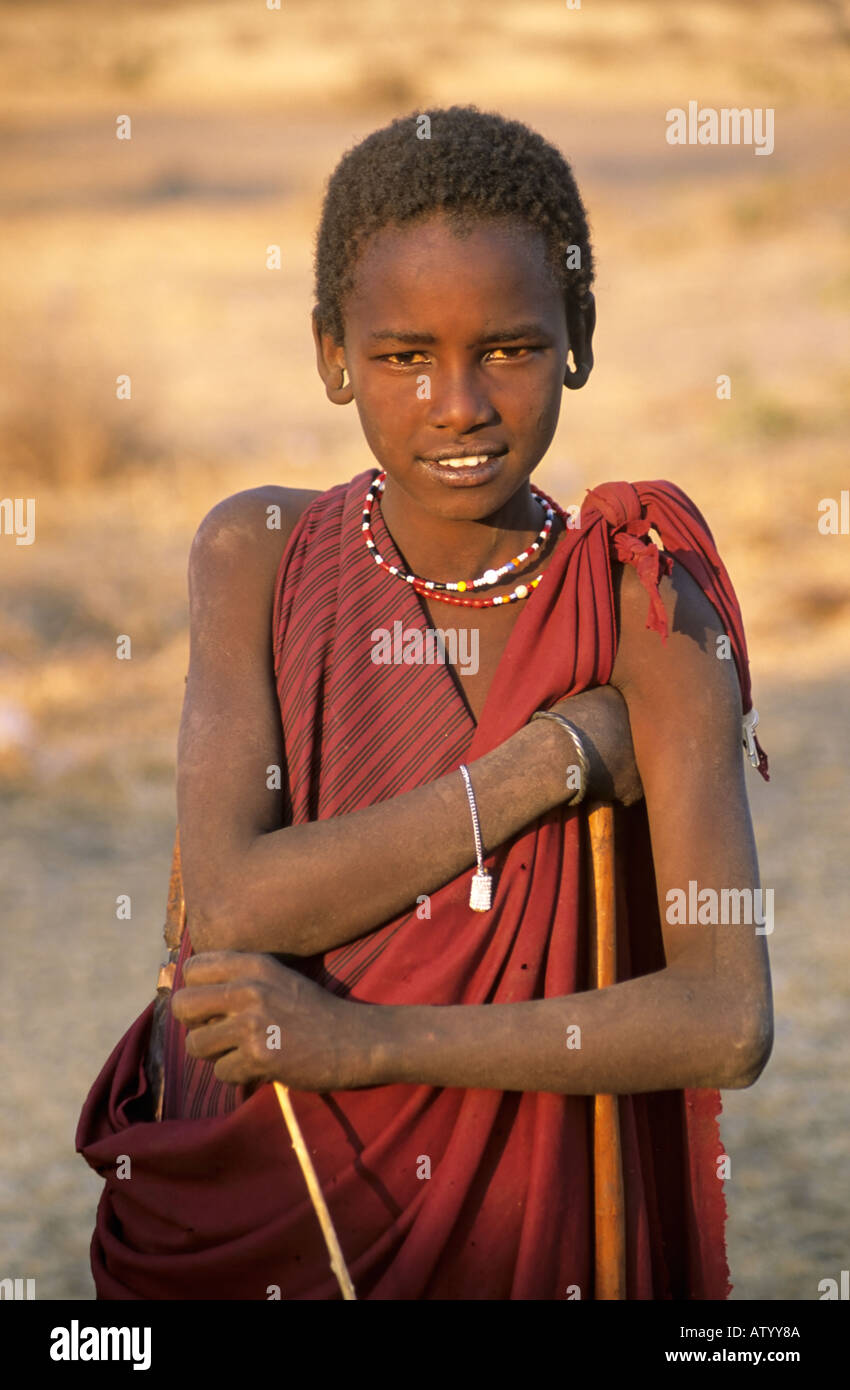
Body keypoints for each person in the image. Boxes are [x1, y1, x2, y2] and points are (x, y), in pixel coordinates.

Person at [77, 105, 772, 1300]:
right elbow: (237, 899)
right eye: (403, 356)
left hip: (526, 1222)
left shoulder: (646, 608)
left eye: (509, 347)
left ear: (578, 337)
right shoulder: (260, 552)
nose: (459, 404)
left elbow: (725, 1016)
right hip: (268, 1185)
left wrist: (370, 1044)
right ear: (332, 356)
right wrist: (544, 762)